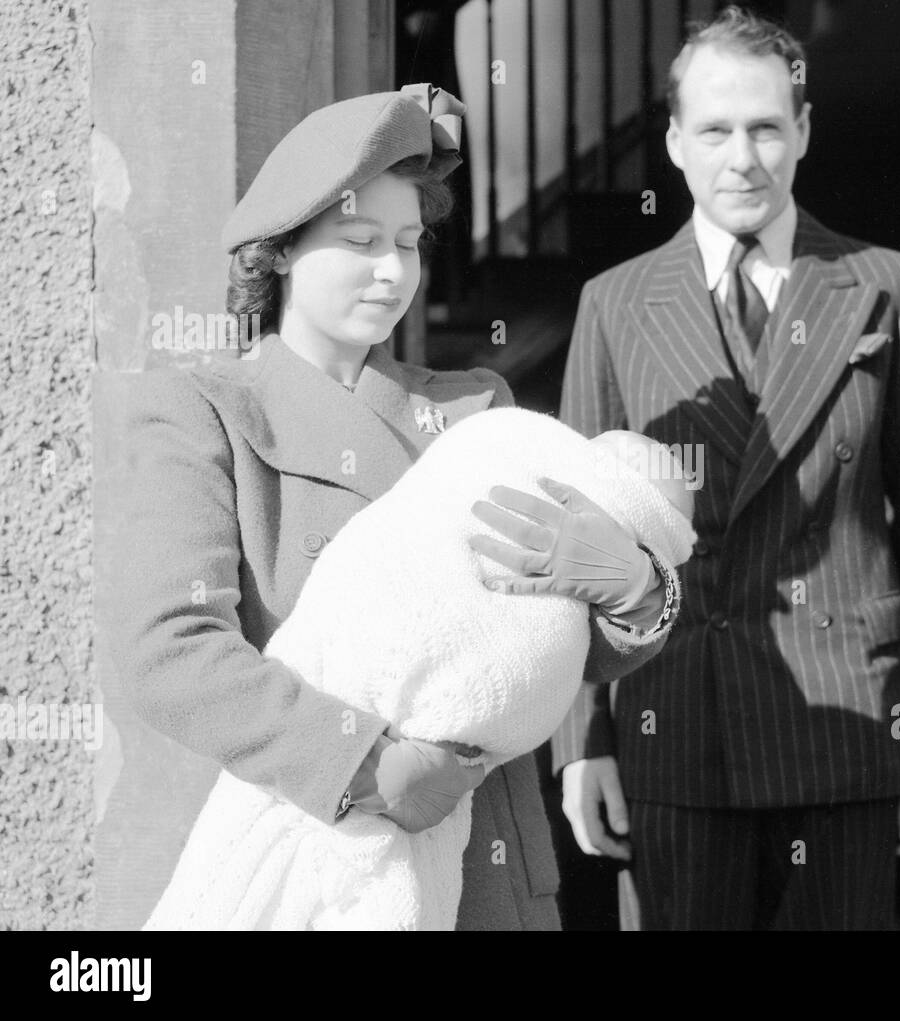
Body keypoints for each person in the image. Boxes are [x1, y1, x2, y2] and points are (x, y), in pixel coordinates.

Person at [102, 84, 679, 931]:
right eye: (361, 240)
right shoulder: (208, 415)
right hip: (317, 862)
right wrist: (367, 763)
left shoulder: (477, 411)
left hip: (491, 874)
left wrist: (635, 589)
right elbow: (168, 650)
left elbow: (542, 653)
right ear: (283, 252)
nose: (392, 270)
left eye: (409, 243)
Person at [522, 6, 900, 929]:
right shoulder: (614, 304)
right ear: (677, 142)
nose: (745, 156)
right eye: (718, 130)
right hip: (675, 727)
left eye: (768, 127)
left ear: (803, 131)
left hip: (849, 727)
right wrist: (581, 743)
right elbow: (579, 536)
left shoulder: (886, 284)